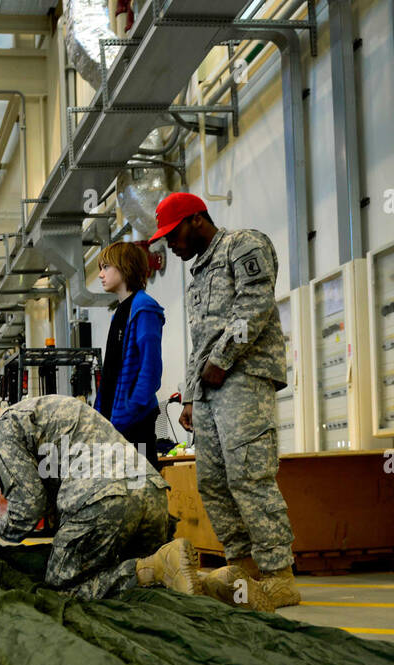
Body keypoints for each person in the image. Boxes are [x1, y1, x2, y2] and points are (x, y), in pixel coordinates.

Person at [150, 192, 298, 611]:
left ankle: (278, 574)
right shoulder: (198, 272)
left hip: (244, 379)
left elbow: (255, 304)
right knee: (212, 481)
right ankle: (243, 566)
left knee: (249, 475)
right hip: (212, 389)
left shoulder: (244, 245)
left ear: (196, 220)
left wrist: (221, 359)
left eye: (173, 234)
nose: (170, 246)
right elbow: (201, 340)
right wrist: (192, 396)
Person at [0, 395, 200, 599]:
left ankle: (154, 569)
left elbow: (28, 510)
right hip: (151, 492)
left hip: (103, 499)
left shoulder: (3, 431)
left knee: (61, 584)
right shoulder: (48, 406)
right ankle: (209, 581)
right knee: (149, 583)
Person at [94, 242, 165, 469]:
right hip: (114, 422)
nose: (100, 274)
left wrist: (132, 408)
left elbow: (150, 368)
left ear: (124, 267)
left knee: (141, 488)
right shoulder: (119, 312)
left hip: (135, 423)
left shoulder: (144, 307)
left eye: (106, 267)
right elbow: (111, 371)